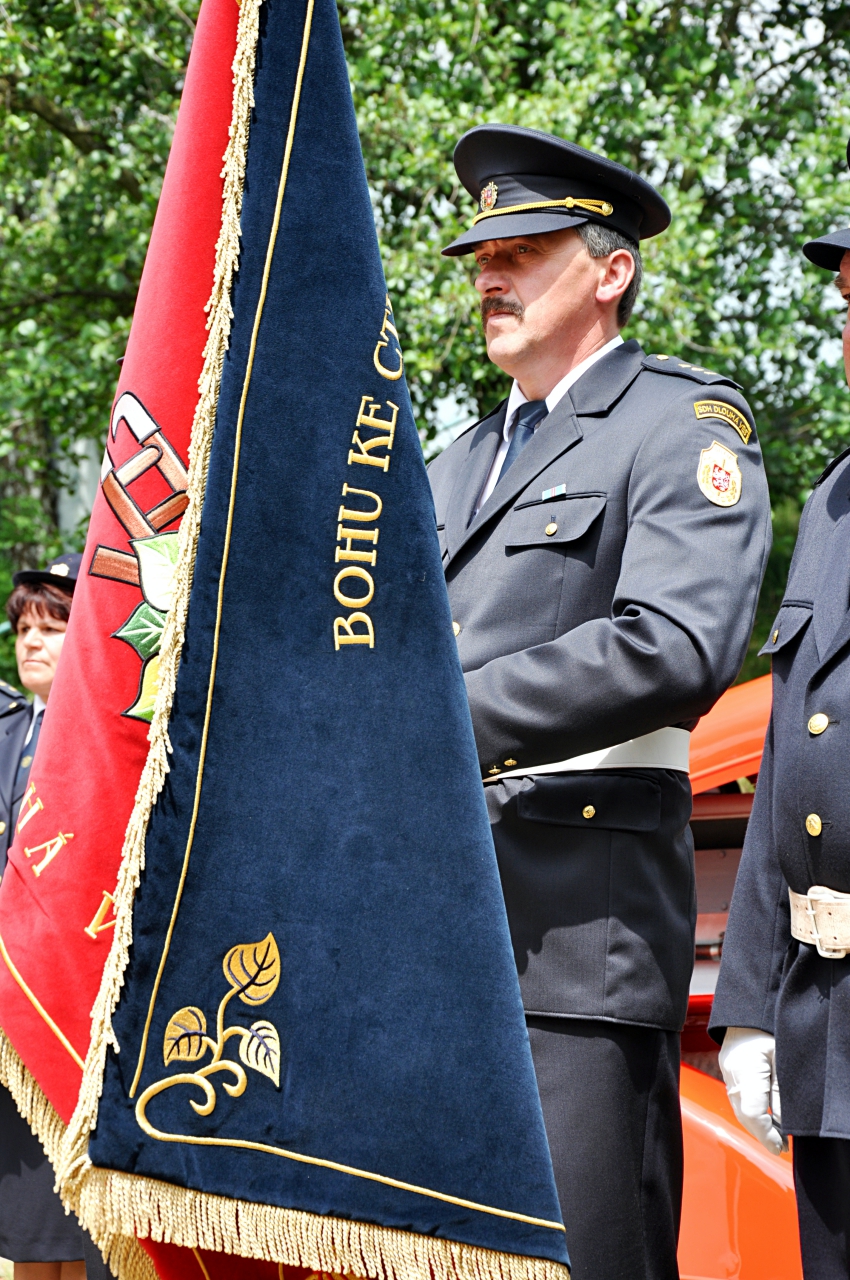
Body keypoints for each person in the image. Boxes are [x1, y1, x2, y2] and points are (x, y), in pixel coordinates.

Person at [428, 123, 772, 1280]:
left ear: (609, 268)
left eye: (522, 249)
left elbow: (675, 643)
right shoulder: (445, 464)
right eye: (482, 252)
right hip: (435, 939)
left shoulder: (679, 425)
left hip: (579, 940)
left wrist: (440, 718)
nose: (489, 273)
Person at [710, 146, 850, 1280]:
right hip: (828, 1026)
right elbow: (786, 751)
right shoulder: (834, 500)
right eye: (849, 307)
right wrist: (752, 1001)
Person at [0, 553, 107, 1280]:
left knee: (83, 1230)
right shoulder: (8, 730)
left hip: (76, 1009)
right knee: (27, 1228)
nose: (32, 642)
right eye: (22, 629)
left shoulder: (111, 741)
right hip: (12, 1004)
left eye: (54, 627)